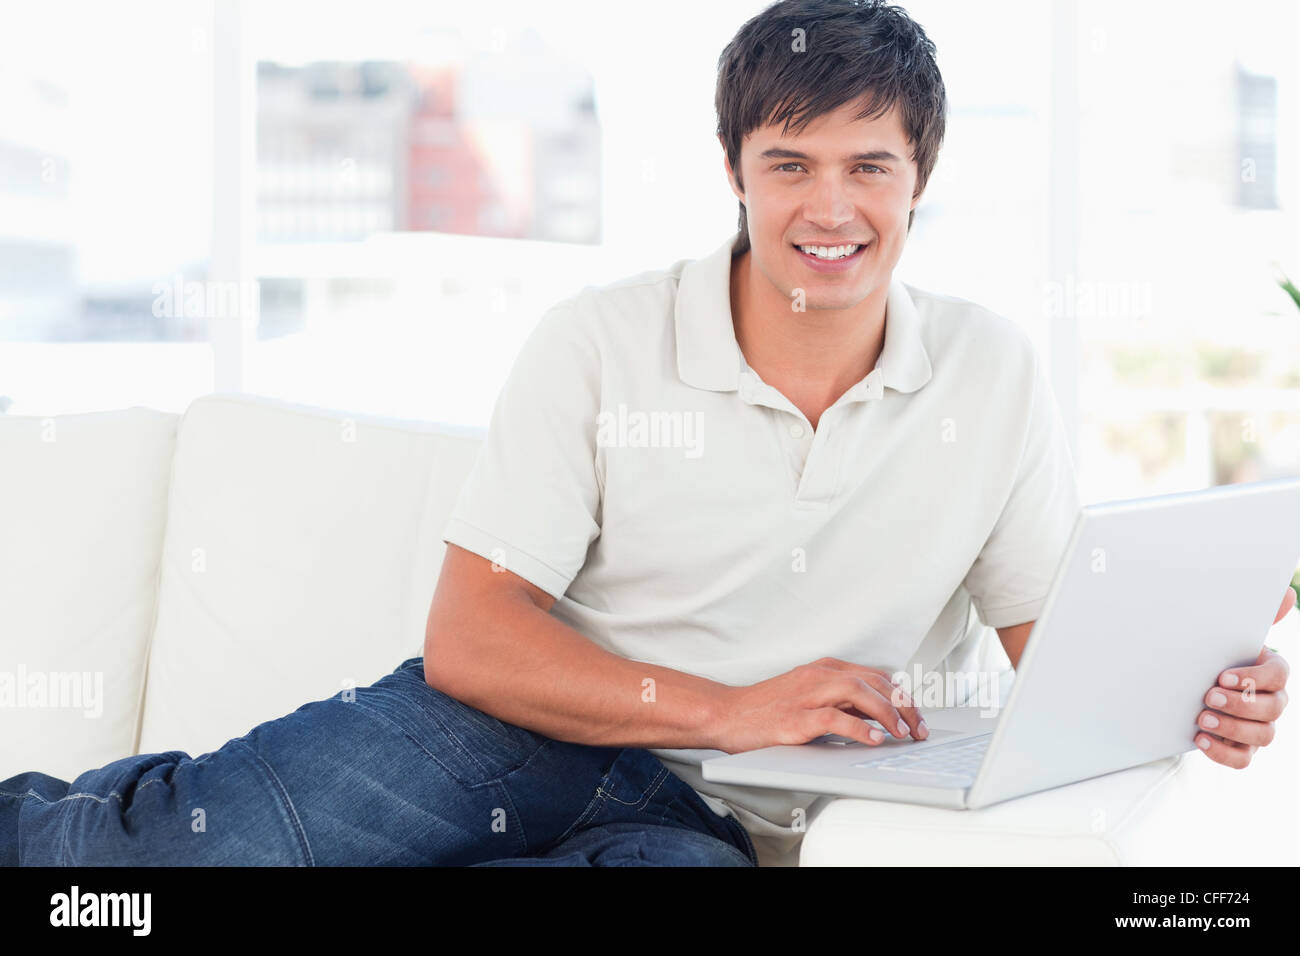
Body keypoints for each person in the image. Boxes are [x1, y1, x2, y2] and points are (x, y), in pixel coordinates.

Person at [3, 0, 1292, 868]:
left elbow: (1052, 657)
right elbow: (471, 636)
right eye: (790, 162)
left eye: (869, 165)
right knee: (155, 859)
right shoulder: (602, 339)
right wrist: (731, 707)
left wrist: (1203, 699)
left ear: (922, 176)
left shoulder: (993, 375)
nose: (829, 206)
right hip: (508, 732)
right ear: (735, 169)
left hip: (707, 825)